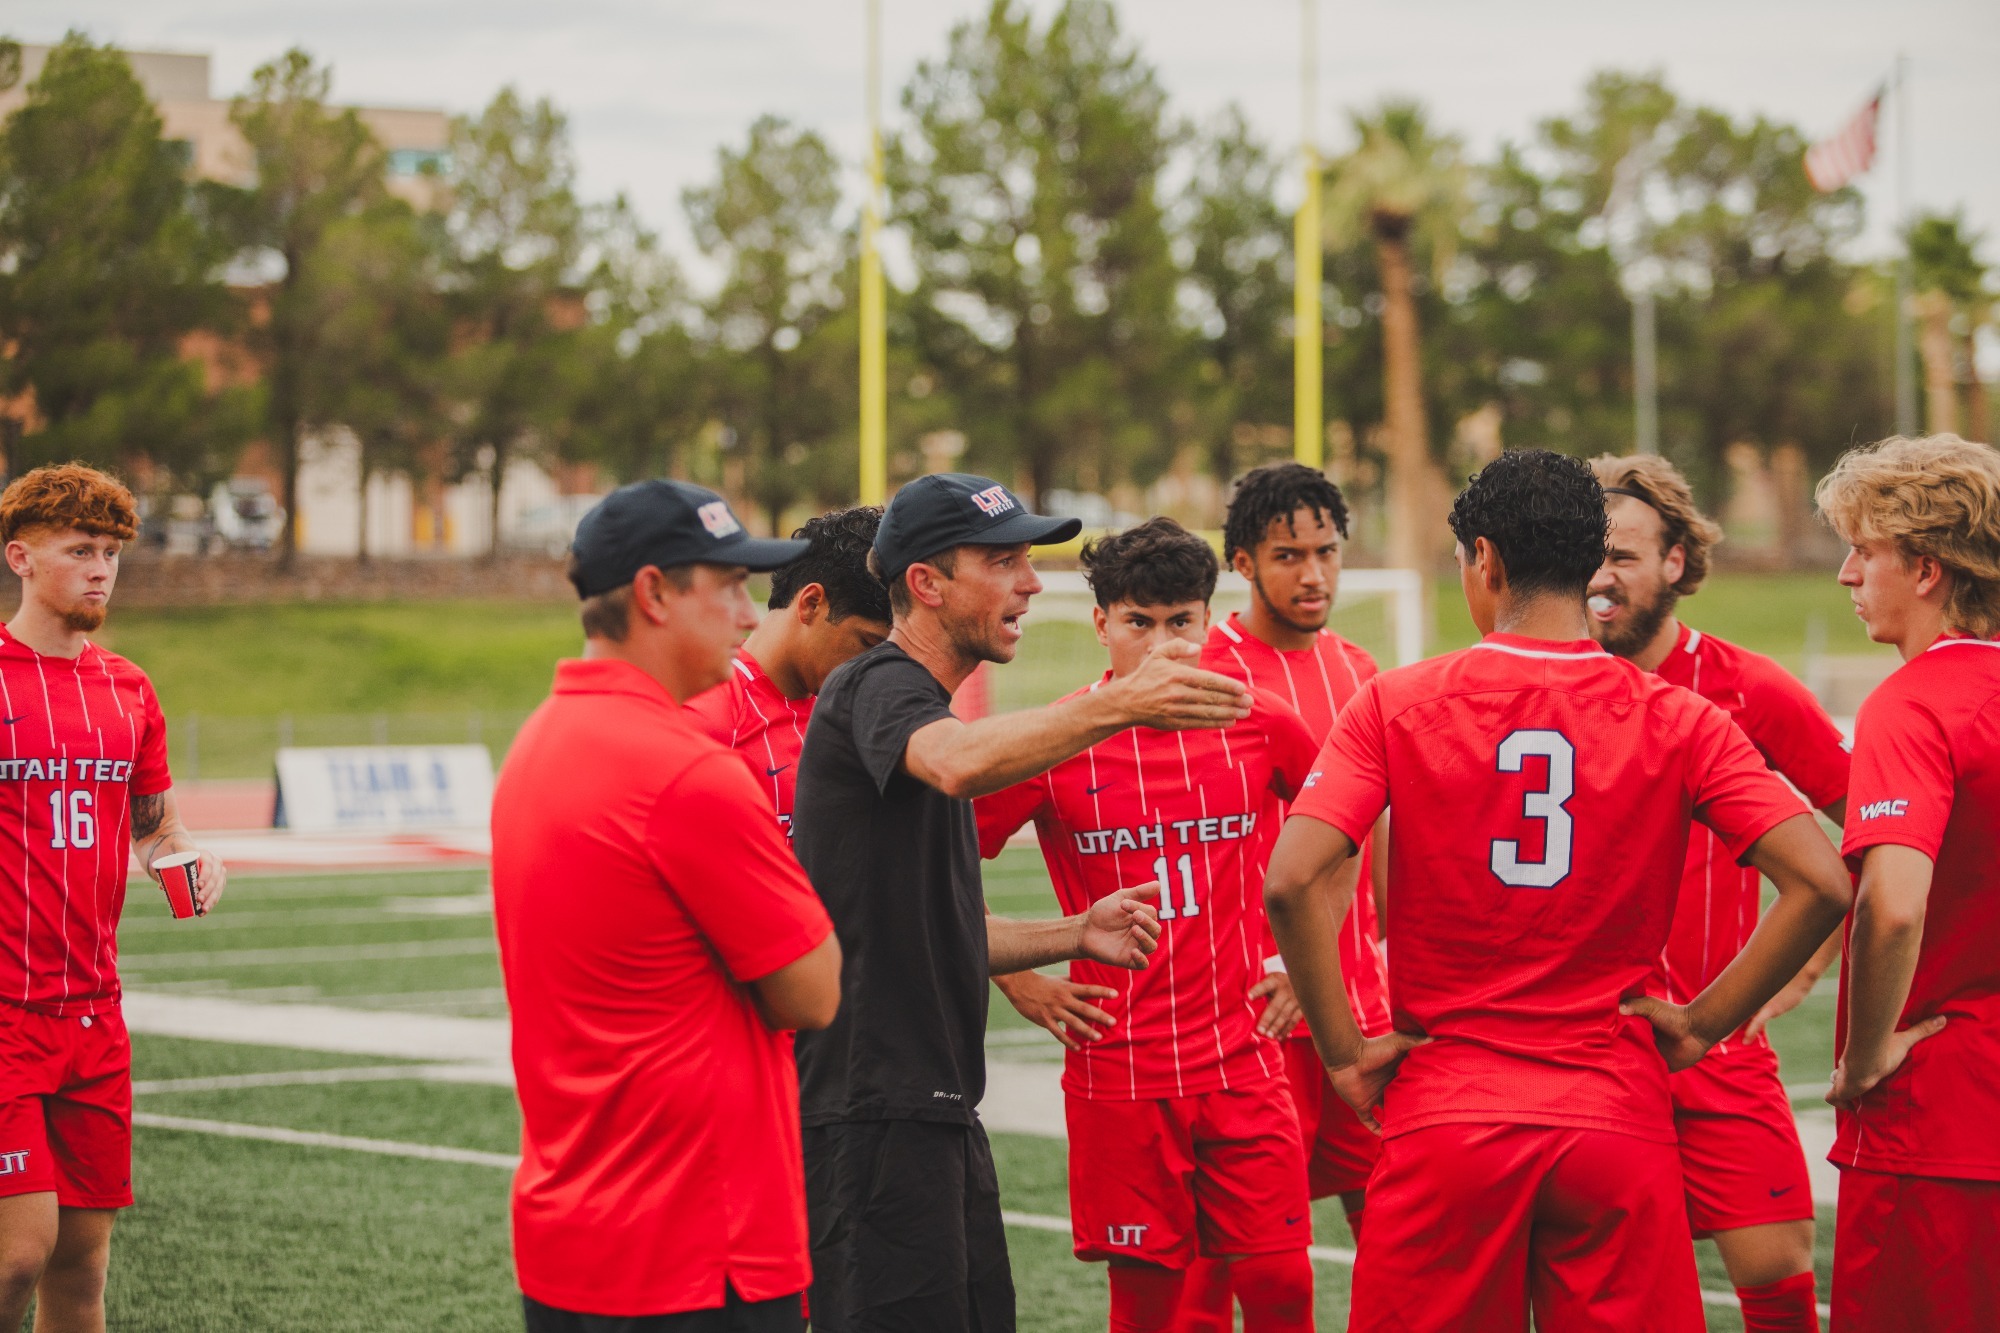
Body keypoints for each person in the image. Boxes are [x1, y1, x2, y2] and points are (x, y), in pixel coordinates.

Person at [1262, 449, 1854, 1333]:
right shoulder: (1682, 715)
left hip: (1446, 1112)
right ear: (1591, 564)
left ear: (1485, 559)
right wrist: (1700, 1024)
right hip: (1614, 1114)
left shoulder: (1395, 700)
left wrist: (1345, 1051)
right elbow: (1819, 879)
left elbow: (1291, 880)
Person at [789, 472, 1253, 1333]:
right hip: (873, 1111)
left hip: (930, 1108)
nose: (1032, 581)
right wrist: (1119, 703)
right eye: (1003, 560)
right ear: (926, 584)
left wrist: (1073, 932)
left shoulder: (918, 705)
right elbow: (959, 760)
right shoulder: (882, 687)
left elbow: (938, 927)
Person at [492, 479, 842, 1333]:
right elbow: (813, 992)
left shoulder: (535, 743)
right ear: (652, 593)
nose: (742, 610)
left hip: (570, 1231)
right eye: (722, 583)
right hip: (696, 1247)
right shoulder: (687, 770)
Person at [975, 518, 1318, 1333]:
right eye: (1138, 622)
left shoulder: (1260, 721)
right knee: (1148, 1306)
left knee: (1282, 1285)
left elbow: (1347, 834)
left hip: (1244, 1061)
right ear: (1101, 624)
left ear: (1208, 619)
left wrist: (1309, 968)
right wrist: (1018, 975)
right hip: (1119, 1077)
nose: (1162, 644)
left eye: (1180, 622)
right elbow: (936, 861)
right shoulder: (1055, 740)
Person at [1586, 453, 1848, 1333]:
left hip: (1716, 1035)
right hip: (1587, 1043)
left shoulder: (1752, 689)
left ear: (1675, 562)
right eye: (1588, 552)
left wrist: (1804, 966)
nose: (1600, 575)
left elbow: (1867, 832)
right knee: (1611, 1285)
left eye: (1623, 554)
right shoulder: (1547, 683)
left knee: (1776, 1270)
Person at [684, 504, 1110, 1042]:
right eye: (869, 645)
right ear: (812, 604)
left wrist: (1013, 976)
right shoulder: (706, 726)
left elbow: (917, 870)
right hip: (756, 1042)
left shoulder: (861, 712)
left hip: (846, 1038)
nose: (881, 669)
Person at [0, 463, 226, 1333]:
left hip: (95, 1016)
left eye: (111, 552)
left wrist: (191, 857)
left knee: (80, 1263)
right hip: (6, 1013)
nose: (101, 568)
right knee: (17, 1249)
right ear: (21, 558)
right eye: (79, 550)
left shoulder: (128, 688)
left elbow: (156, 828)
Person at [1815, 434, 2000, 1333]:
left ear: (1926, 569)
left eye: (1865, 549)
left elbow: (1894, 903)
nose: (1848, 575)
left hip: (1937, 1127)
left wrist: (1864, 1055)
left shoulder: (1914, 700)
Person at [1199, 465, 1391, 1258]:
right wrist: (1272, 955)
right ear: (1242, 562)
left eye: (1327, 550)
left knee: (1396, 1233)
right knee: (1254, 1260)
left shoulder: (1362, 672)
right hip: (1255, 1012)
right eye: (1287, 556)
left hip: (1358, 1005)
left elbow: (1378, 843)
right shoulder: (1206, 676)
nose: (1314, 574)